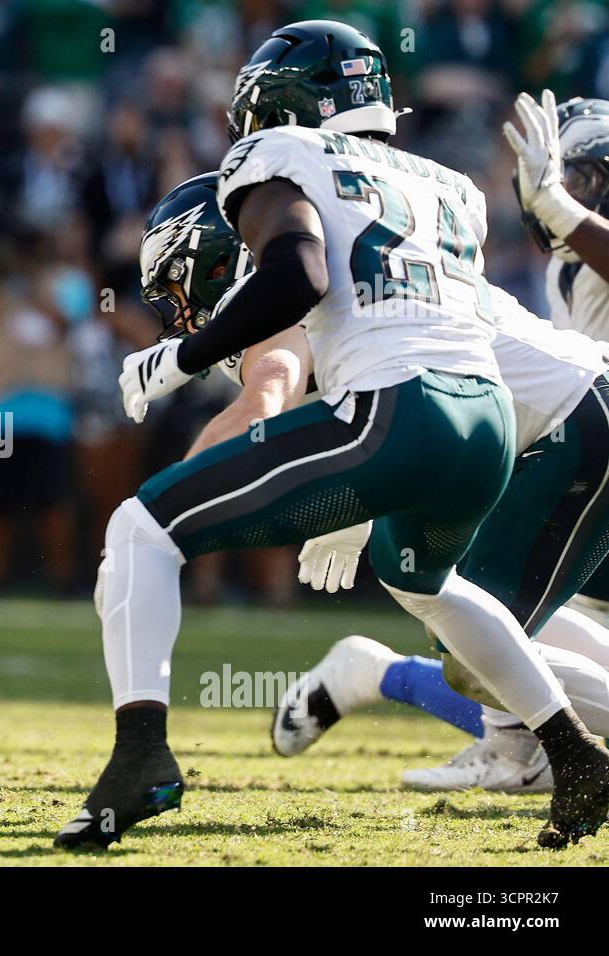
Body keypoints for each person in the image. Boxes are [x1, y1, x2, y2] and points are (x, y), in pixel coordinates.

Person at [54, 20, 609, 852]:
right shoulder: (445, 183)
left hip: (415, 411)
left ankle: (141, 758)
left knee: (140, 525)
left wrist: (177, 361)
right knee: (425, 583)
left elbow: (299, 277)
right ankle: (574, 756)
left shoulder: (279, 161)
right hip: (490, 423)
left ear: (279, 109)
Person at [277, 91, 609, 790]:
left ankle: (386, 676)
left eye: (582, 181)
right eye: (560, 180)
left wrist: (567, 214)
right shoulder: (565, 268)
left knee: (498, 651)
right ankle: (505, 742)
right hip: (571, 446)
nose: (559, 194)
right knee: (495, 648)